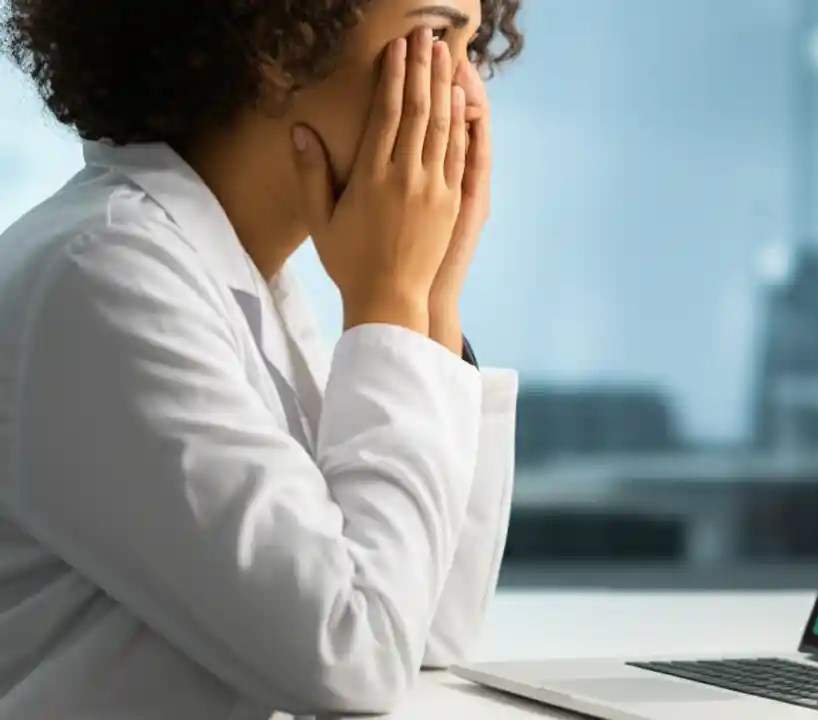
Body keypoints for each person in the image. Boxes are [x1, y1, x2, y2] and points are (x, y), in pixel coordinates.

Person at [0, 1, 523, 717]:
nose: (465, 98)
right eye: (432, 37)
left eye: (470, 46)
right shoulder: (104, 272)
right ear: (275, 41)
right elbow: (354, 660)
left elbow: (431, 626)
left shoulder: (243, 278)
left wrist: (432, 299)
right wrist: (390, 299)